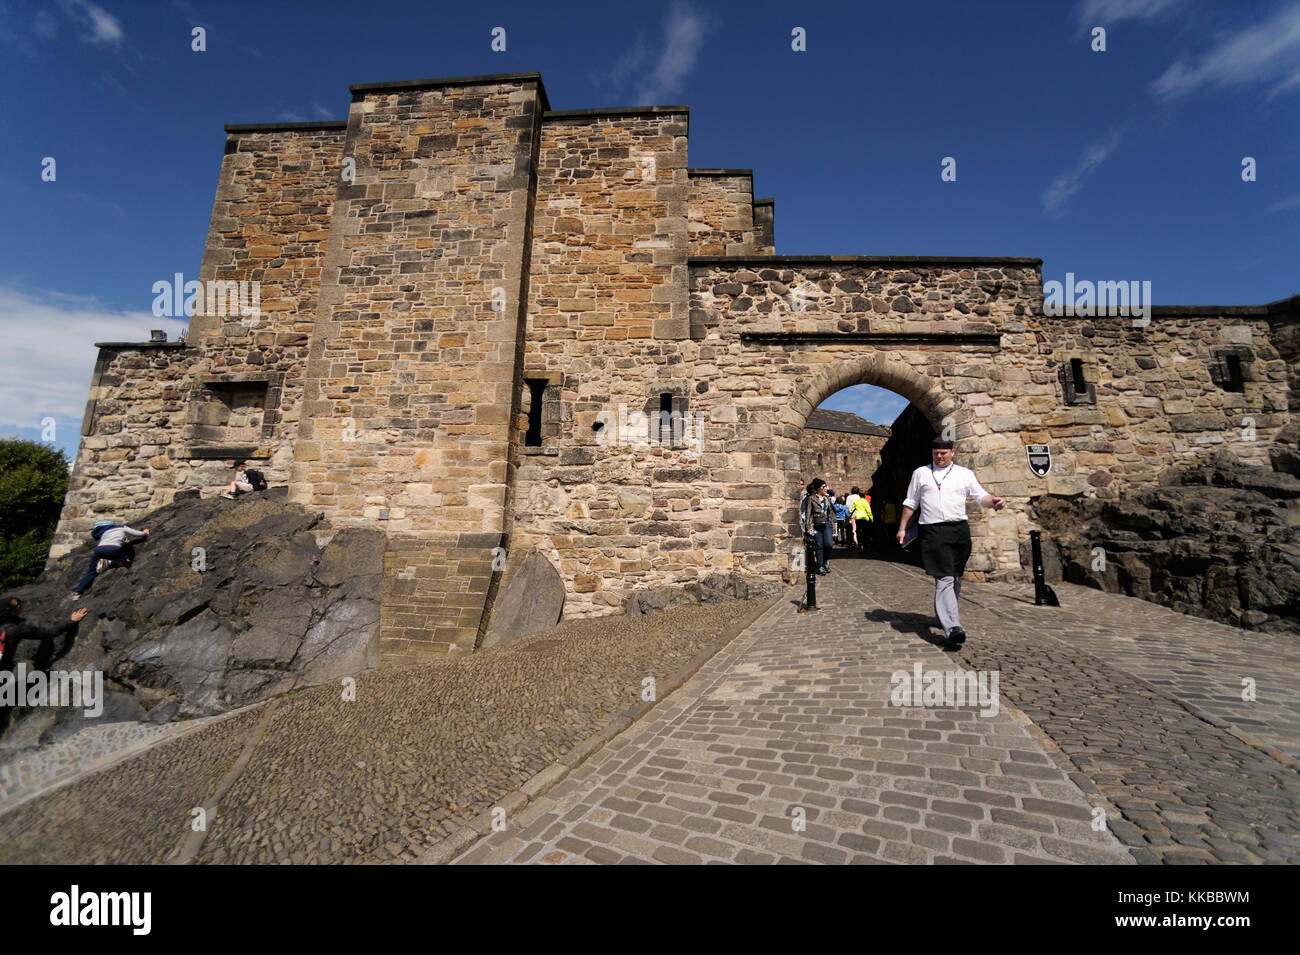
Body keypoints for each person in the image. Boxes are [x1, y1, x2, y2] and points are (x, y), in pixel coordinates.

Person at [896, 437, 1005, 647]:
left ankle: (943, 615)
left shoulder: (964, 474)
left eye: (944, 453)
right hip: (933, 530)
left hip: (959, 531)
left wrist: (994, 502)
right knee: (944, 576)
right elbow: (911, 502)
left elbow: (980, 496)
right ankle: (953, 626)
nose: (940, 456)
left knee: (955, 577)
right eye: (936, 453)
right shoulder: (921, 473)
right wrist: (902, 528)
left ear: (952, 453)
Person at [1, 598, 87, 734]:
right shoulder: (16, 629)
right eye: (18, 604)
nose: (20, 604)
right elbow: (50, 632)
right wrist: (71, 621)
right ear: (11, 612)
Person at [71, 522, 149, 598]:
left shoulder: (104, 532)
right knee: (126, 562)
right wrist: (144, 533)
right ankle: (108, 563)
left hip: (98, 550)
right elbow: (136, 533)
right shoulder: (121, 527)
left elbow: (110, 539)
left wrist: (124, 541)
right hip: (113, 548)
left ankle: (77, 592)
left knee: (91, 571)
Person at [800, 478, 832, 575]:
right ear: (819, 488)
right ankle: (820, 566)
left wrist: (831, 522)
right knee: (819, 545)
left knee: (829, 544)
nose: (826, 488)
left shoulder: (827, 498)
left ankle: (825, 561)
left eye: (826, 486)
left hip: (826, 524)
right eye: (823, 486)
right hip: (816, 525)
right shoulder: (811, 499)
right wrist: (809, 527)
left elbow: (830, 512)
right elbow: (808, 514)